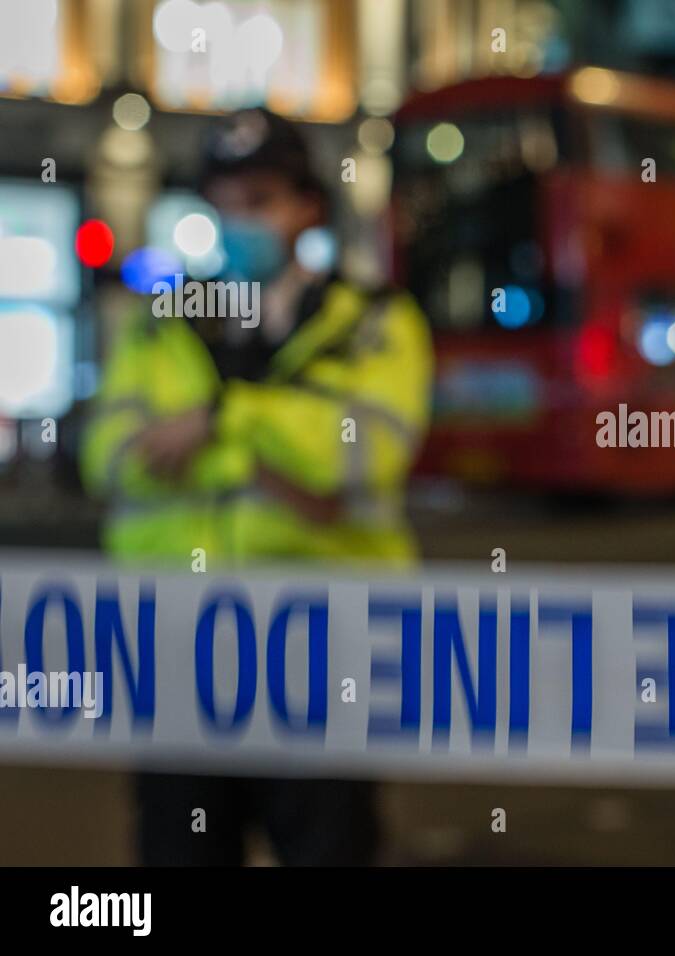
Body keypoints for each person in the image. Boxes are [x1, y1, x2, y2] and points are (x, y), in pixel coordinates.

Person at [81, 107, 434, 865]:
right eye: (227, 202)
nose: (242, 220)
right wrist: (259, 457)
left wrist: (215, 425)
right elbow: (107, 454)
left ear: (307, 205)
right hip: (176, 656)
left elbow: (359, 455)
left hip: (322, 657)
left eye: (262, 200)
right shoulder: (163, 320)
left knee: (326, 847)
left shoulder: (374, 321)